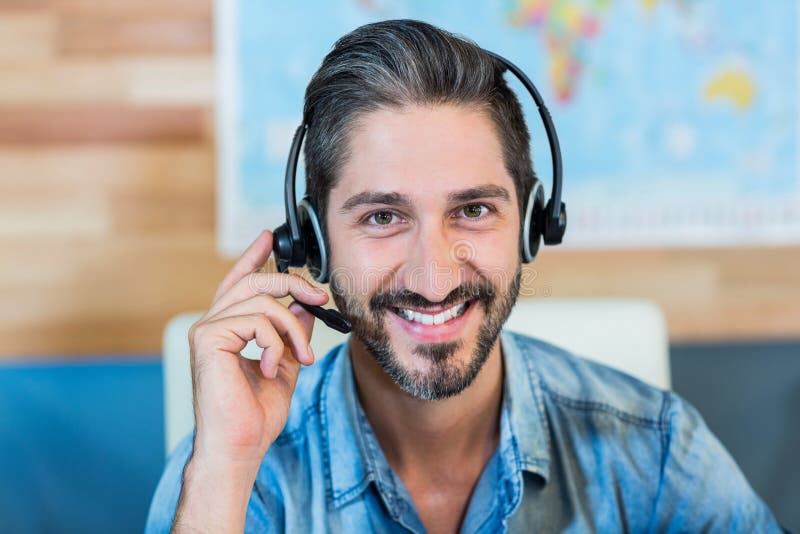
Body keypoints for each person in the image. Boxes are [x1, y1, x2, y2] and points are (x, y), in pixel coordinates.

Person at [146, 19, 783, 533]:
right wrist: (226, 467)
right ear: (312, 241)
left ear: (534, 223)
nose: (433, 275)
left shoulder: (657, 450)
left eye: (473, 210)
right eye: (383, 216)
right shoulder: (233, 475)